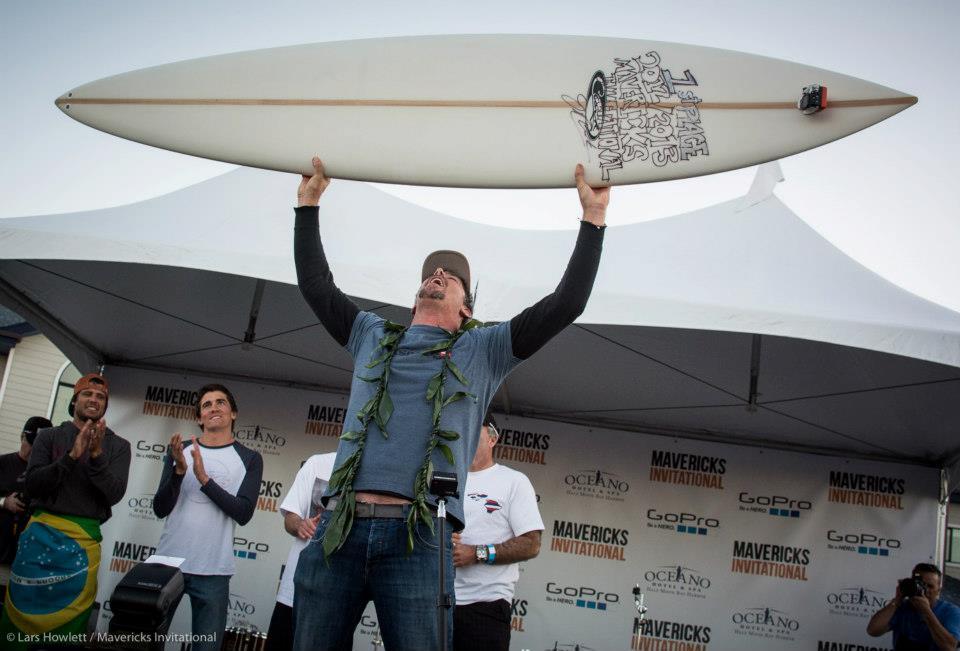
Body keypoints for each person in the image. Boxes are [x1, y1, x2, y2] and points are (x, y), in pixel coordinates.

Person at [291, 156, 608, 650]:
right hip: (340, 524)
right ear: (415, 297)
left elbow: (566, 303)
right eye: (432, 271)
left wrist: (593, 219)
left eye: (451, 275)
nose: (437, 273)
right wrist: (308, 205)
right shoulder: (371, 334)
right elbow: (316, 286)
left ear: (467, 309)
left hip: (420, 536)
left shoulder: (484, 349)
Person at [0, 373, 130, 644]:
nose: (93, 400)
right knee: (21, 614)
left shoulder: (119, 446)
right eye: (87, 394)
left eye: (100, 397)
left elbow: (114, 494)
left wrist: (96, 456)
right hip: (38, 540)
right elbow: (33, 485)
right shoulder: (49, 437)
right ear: (74, 400)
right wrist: (70, 457)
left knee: (67, 624)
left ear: (106, 405)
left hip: (82, 546)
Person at [152, 383, 263, 651]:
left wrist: (204, 479)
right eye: (206, 405)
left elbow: (243, 513)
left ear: (233, 413)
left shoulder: (250, 458)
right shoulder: (180, 450)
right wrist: (179, 473)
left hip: (214, 570)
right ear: (199, 417)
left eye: (220, 402)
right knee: (148, 642)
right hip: (168, 563)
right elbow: (160, 508)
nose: (214, 408)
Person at [452, 410, 543, 651]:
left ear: (493, 438)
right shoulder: (445, 476)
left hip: (484, 605)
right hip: (434, 600)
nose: (466, 435)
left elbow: (531, 543)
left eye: (475, 430)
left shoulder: (513, 481)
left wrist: (477, 553)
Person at [265, 452, 337, 651]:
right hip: (295, 591)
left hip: (338, 599)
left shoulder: (378, 476)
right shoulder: (318, 463)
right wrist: (301, 525)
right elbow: (291, 519)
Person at [0, 416, 52, 601]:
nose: (33, 450)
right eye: (31, 443)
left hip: (30, 558)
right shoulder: (3, 463)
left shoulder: (48, 473)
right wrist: (4, 502)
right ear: (22, 437)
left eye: (39, 446)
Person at [867, 562, 960, 651]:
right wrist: (897, 599)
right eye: (921, 584)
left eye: (930, 586)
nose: (925, 590)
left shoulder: (951, 612)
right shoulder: (902, 607)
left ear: (938, 590)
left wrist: (926, 612)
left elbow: (950, 647)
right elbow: (873, 631)